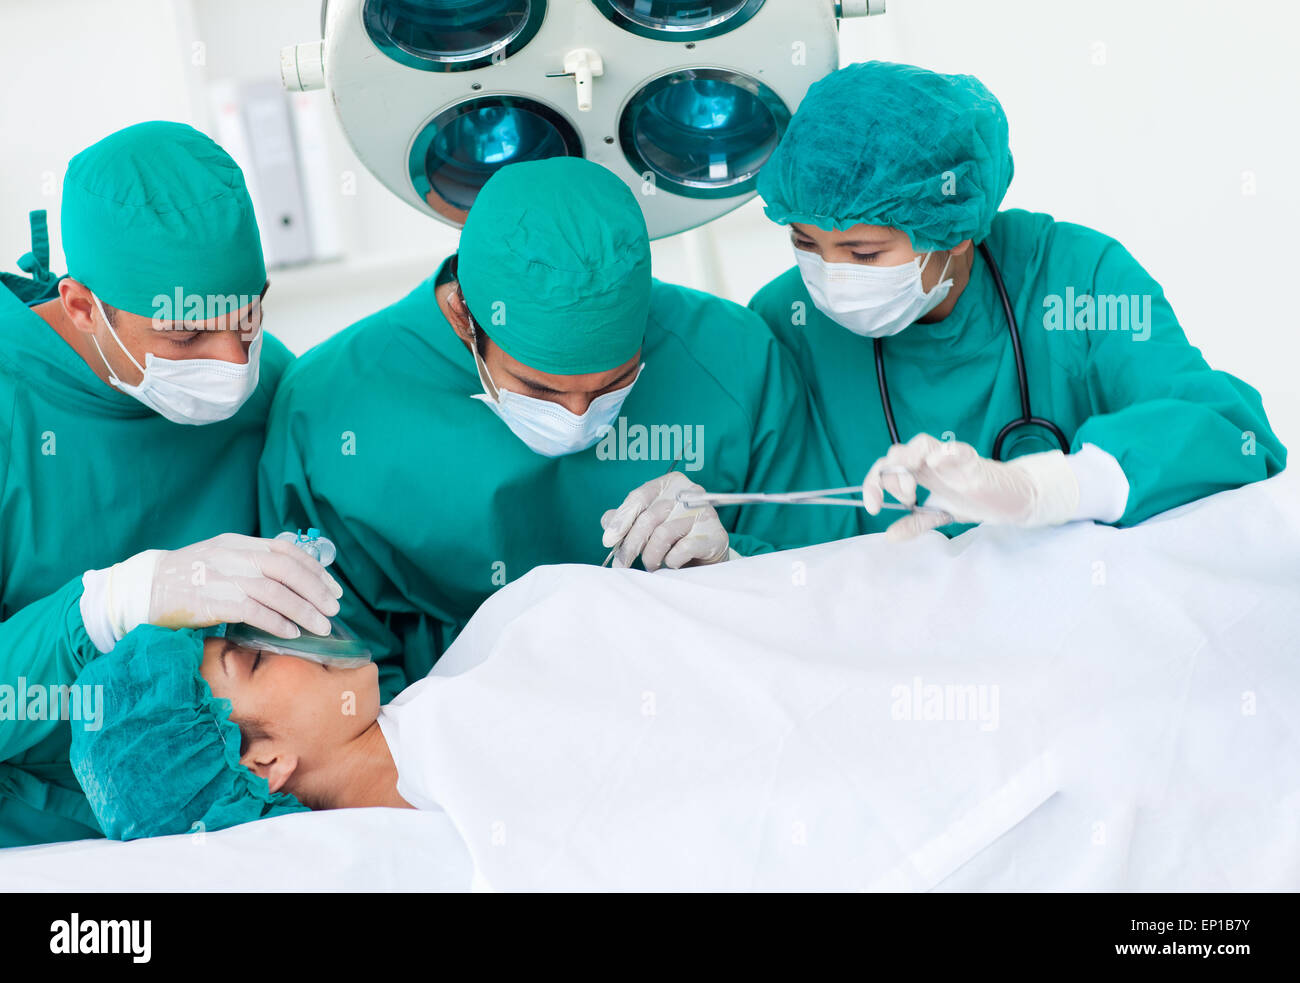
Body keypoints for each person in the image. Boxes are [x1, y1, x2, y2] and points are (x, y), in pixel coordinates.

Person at [259, 157, 857, 699]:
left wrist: (730, 565)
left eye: (612, 387)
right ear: (468, 317)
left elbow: (822, 588)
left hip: (702, 704)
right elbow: (327, 663)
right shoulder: (333, 406)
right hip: (445, 742)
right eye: (538, 389)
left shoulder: (733, 358)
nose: (577, 419)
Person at [748, 62, 1286, 540]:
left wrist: (1044, 488)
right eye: (804, 243)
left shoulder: (1077, 278)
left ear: (953, 231)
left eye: (863, 253)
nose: (830, 277)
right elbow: (779, 538)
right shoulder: (784, 324)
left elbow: (1232, 436)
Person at [0, 122, 341, 848]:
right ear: (83, 304)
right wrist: (109, 604)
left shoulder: (268, 378)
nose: (231, 364)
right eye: (186, 339)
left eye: (248, 318)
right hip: (39, 837)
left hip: (250, 813)